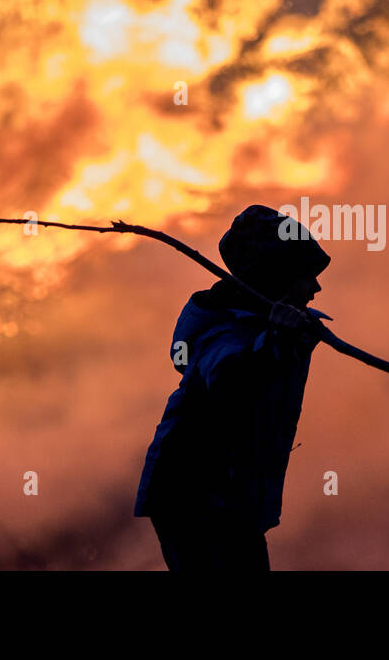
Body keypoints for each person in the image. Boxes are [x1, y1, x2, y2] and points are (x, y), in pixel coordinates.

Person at [133, 204, 330, 571]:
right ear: (275, 278)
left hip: (230, 498)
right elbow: (232, 383)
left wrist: (290, 334)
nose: (317, 287)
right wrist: (278, 342)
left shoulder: (266, 325)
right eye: (306, 275)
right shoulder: (226, 331)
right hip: (194, 498)